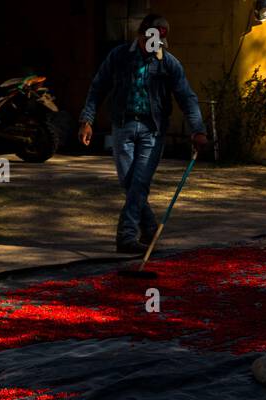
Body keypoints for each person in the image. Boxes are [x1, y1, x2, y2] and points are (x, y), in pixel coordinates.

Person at [78, 14, 208, 254]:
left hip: (153, 130)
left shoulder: (168, 63)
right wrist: (87, 119)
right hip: (123, 125)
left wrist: (198, 129)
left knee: (139, 182)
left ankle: (126, 236)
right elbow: (98, 87)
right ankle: (149, 228)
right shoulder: (118, 57)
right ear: (140, 35)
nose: (153, 47)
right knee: (130, 183)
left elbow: (187, 98)